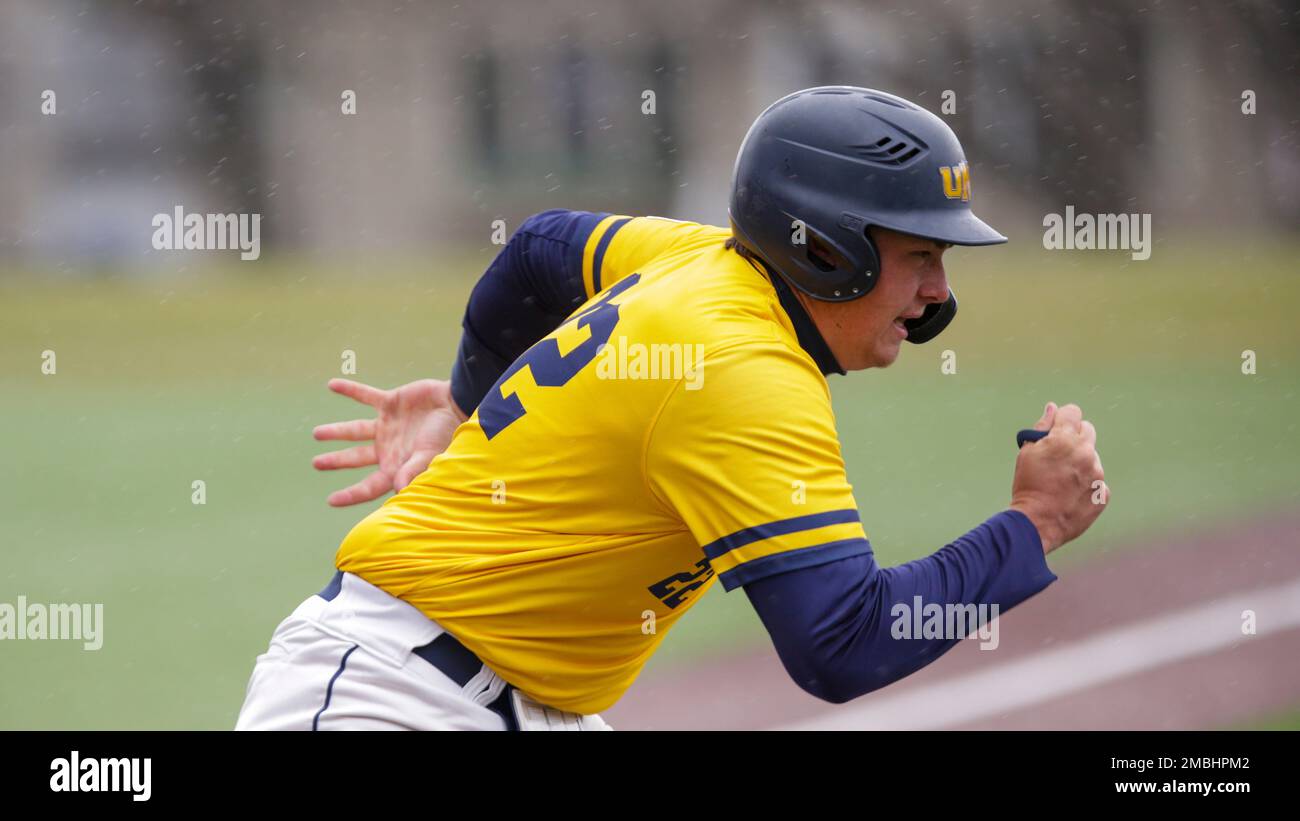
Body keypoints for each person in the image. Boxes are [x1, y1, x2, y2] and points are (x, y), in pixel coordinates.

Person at [235, 86, 1107, 731]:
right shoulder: (745, 369)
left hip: (516, 703)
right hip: (388, 700)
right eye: (920, 253)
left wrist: (468, 402)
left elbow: (538, 251)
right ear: (823, 245)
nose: (938, 291)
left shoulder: (708, 261)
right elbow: (843, 642)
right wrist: (1031, 524)